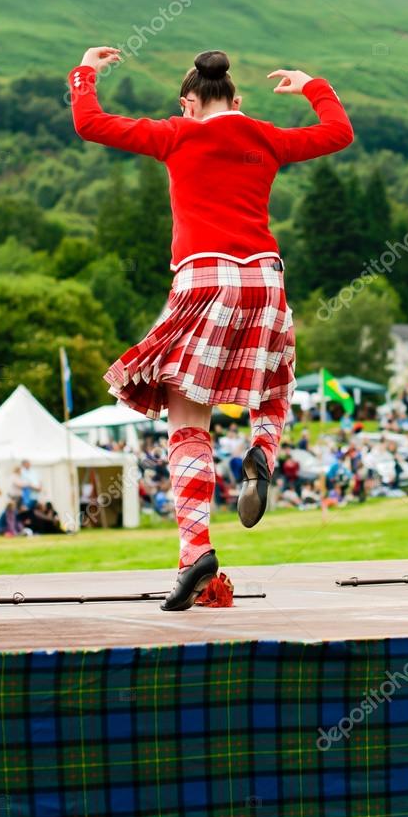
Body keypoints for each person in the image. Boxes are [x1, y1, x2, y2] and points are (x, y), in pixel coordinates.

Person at [68, 46, 353, 609]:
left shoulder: (178, 134)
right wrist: (313, 85)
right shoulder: (265, 135)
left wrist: (87, 72)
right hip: (265, 277)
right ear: (238, 101)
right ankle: (262, 450)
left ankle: (195, 548)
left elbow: (89, 123)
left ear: (188, 103)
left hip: (203, 276)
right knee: (274, 380)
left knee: (186, 419)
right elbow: (337, 133)